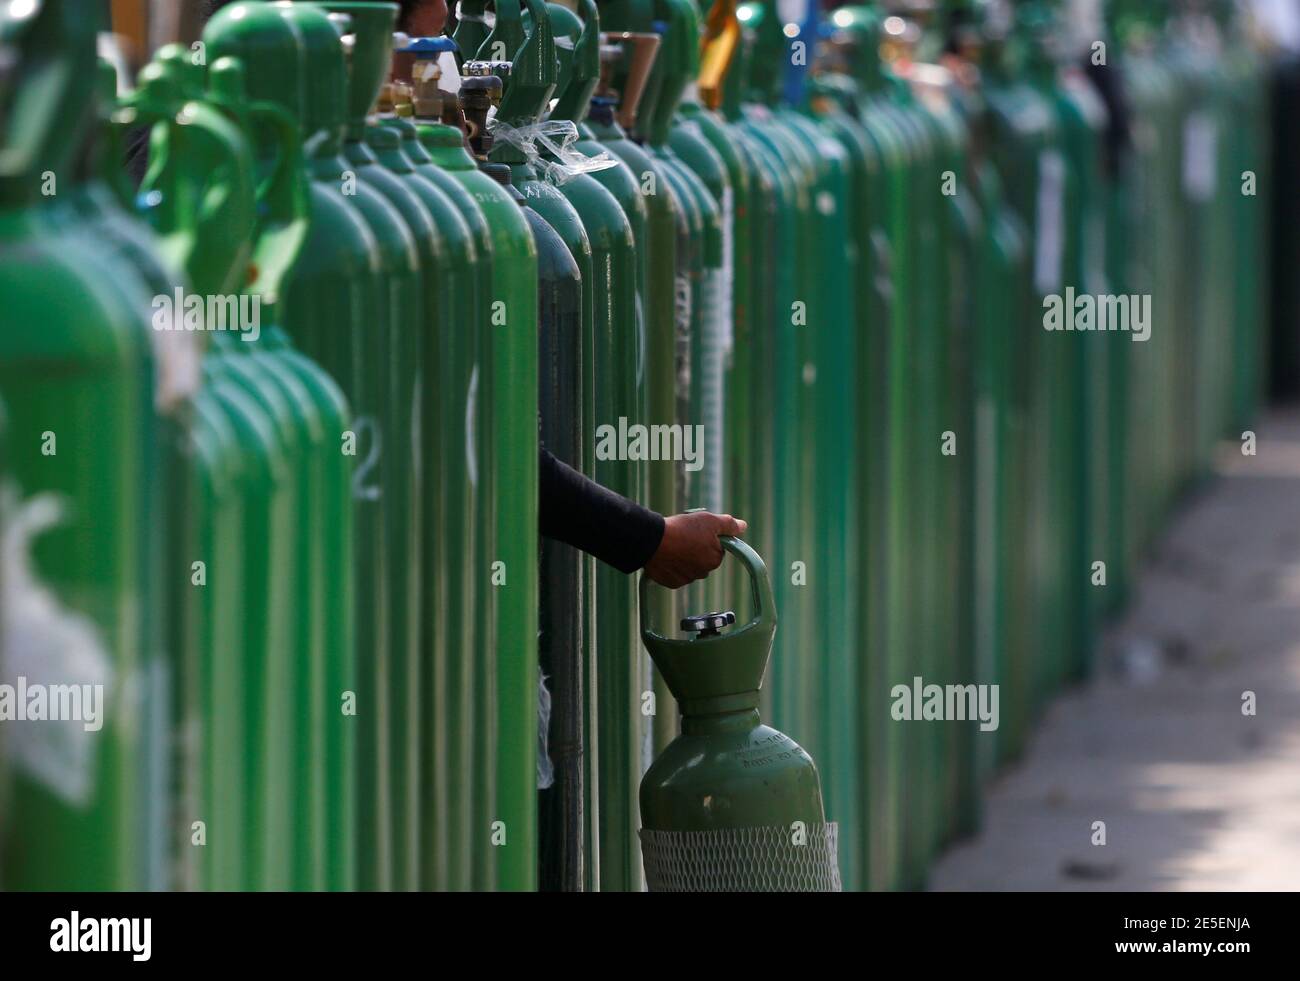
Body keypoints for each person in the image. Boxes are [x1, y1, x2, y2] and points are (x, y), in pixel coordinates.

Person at [131, 0, 745, 590]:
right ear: (371, 40)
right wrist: (647, 539)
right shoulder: (364, 223)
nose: (451, 27)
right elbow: (467, 429)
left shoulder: (165, 158)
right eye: (436, 18)